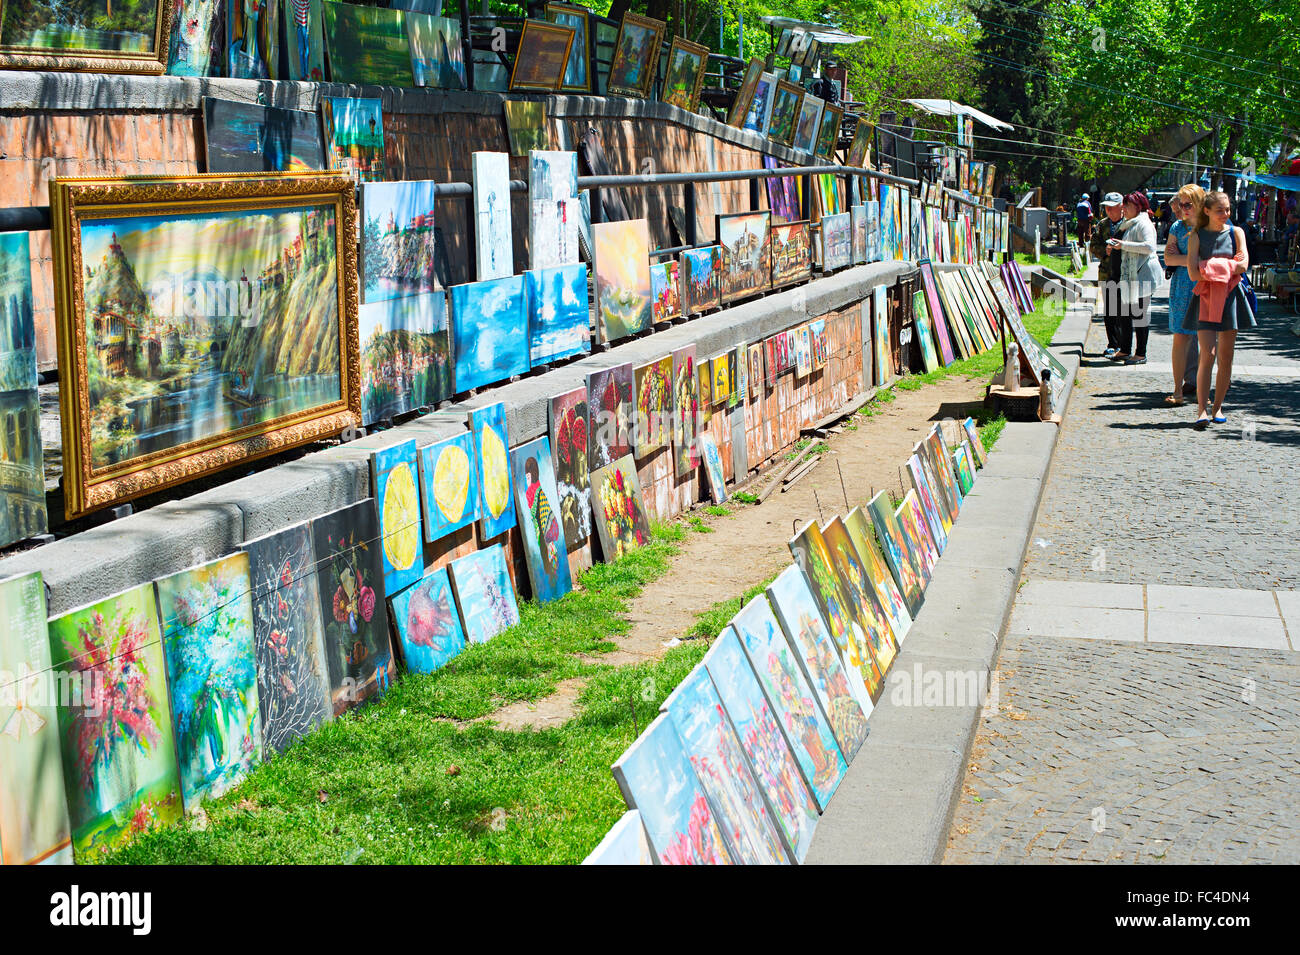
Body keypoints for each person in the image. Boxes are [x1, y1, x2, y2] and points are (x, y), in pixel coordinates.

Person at [1186, 191, 1255, 429]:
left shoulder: (1236, 233)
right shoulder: (1196, 235)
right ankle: (1201, 409)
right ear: (1206, 211)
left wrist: (1210, 266)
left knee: (1226, 358)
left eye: (1227, 210)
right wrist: (1227, 265)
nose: (1225, 214)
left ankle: (1218, 407)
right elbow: (1193, 273)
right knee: (1208, 354)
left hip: (1230, 298)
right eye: (1220, 210)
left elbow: (1244, 265)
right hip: (1205, 298)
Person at [1106, 192, 1162, 364]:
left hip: (1143, 274)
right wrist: (1113, 248)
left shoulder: (1143, 223)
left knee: (1139, 315)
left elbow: (1150, 246)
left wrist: (1123, 246)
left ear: (1138, 207)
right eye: (1124, 204)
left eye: (1128, 205)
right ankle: (1124, 350)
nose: (1124, 208)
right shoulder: (1128, 223)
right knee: (1124, 314)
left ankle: (1140, 353)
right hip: (1129, 275)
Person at [1162, 184, 1206, 404]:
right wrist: (1194, 260)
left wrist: (1183, 257)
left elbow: (1214, 260)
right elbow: (1168, 259)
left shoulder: (1210, 226)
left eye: (1188, 204)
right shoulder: (1177, 227)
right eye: (1181, 204)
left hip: (1206, 287)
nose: (1183, 208)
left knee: (1207, 342)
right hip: (1182, 287)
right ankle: (1178, 390)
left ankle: (1203, 392)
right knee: (1181, 338)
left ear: (1199, 203)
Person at [1090, 192, 1127, 357]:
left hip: (1125, 273)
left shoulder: (1129, 224)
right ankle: (1112, 343)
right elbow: (1093, 245)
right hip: (1106, 272)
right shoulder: (1102, 225)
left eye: (1112, 207)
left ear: (1121, 207)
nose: (1109, 211)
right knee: (1110, 310)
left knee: (1123, 311)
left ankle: (1124, 344)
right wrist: (1105, 251)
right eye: (1107, 207)